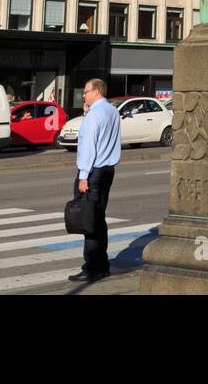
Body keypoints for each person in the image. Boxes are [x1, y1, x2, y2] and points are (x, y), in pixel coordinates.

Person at [69, 78, 121, 283]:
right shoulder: (112, 111)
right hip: (108, 170)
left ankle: (91, 267)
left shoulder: (95, 115)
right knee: (98, 219)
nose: (84, 95)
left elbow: (89, 146)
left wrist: (83, 176)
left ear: (97, 92)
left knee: (88, 221)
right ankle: (102, 265)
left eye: (86, 91)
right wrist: (86, 113)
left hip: (92, 172)